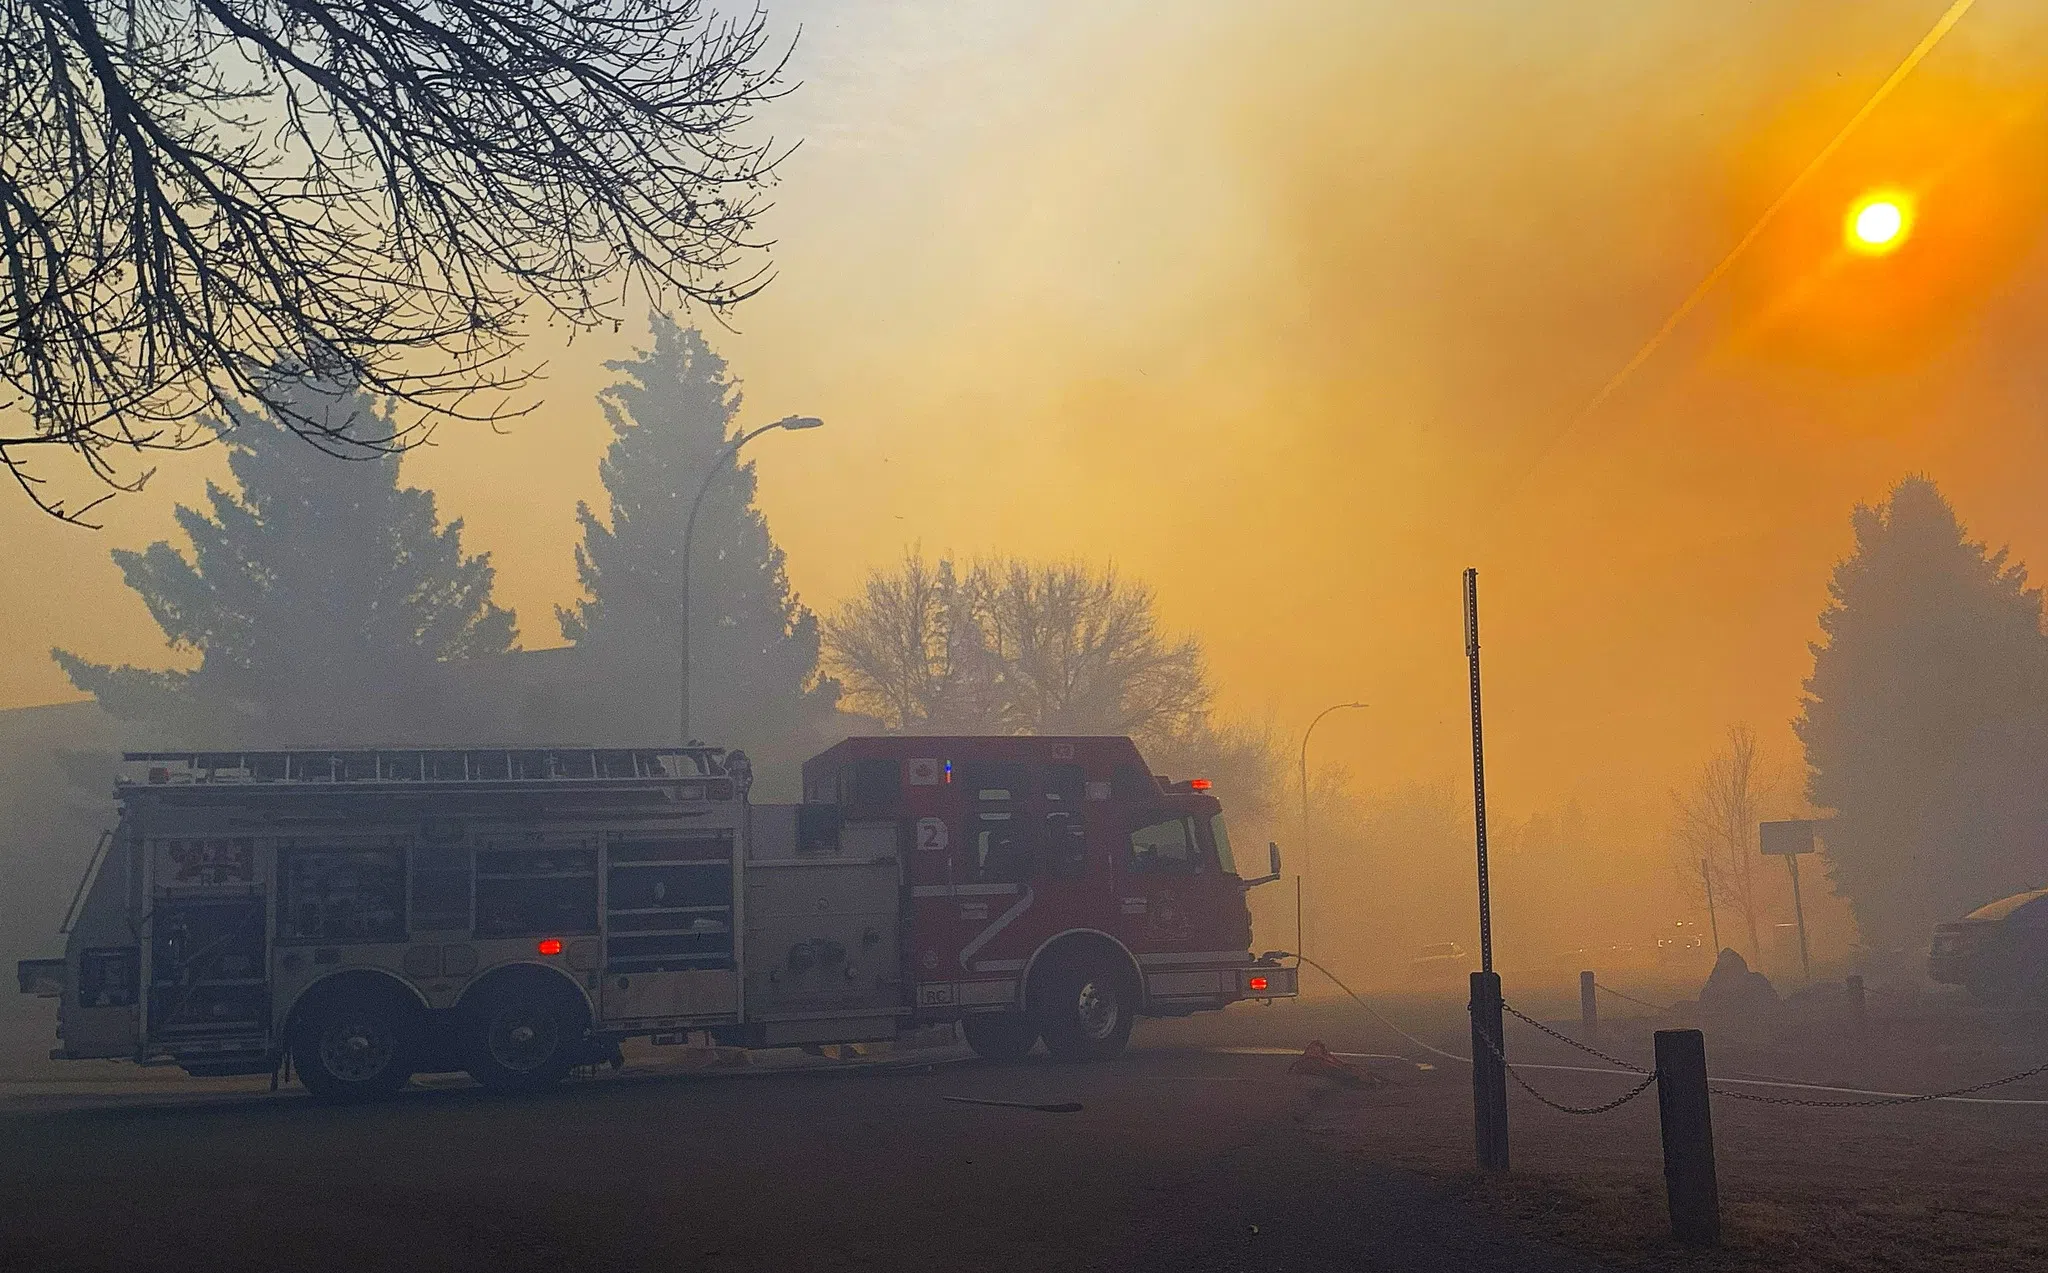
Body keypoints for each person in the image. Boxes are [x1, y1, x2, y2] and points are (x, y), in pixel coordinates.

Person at [1697, 947, 1779, 1023]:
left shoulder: (1758, 983)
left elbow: (1775, 1012)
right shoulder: (1712, 994)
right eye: (1724, 971)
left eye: (1733, 968)